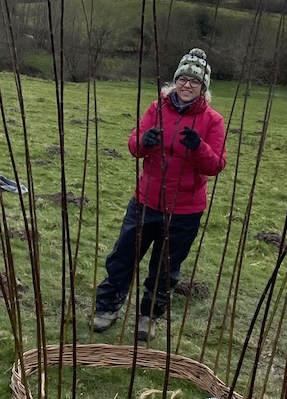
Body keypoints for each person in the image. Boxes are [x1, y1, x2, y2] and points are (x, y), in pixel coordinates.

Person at [93, 47, 227, 342]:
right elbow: (133, 147)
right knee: (123, 256)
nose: (187, 85)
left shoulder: (212, 121)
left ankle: (148, 315)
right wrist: (144, 140)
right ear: (176, 80)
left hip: (185, 210)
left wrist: (198, 147)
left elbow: (216, 164)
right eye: (183, 78)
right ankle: (107, 306)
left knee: (165, 267)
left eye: (195, 81)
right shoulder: (157, 108)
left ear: (203, 87)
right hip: (146, 201)